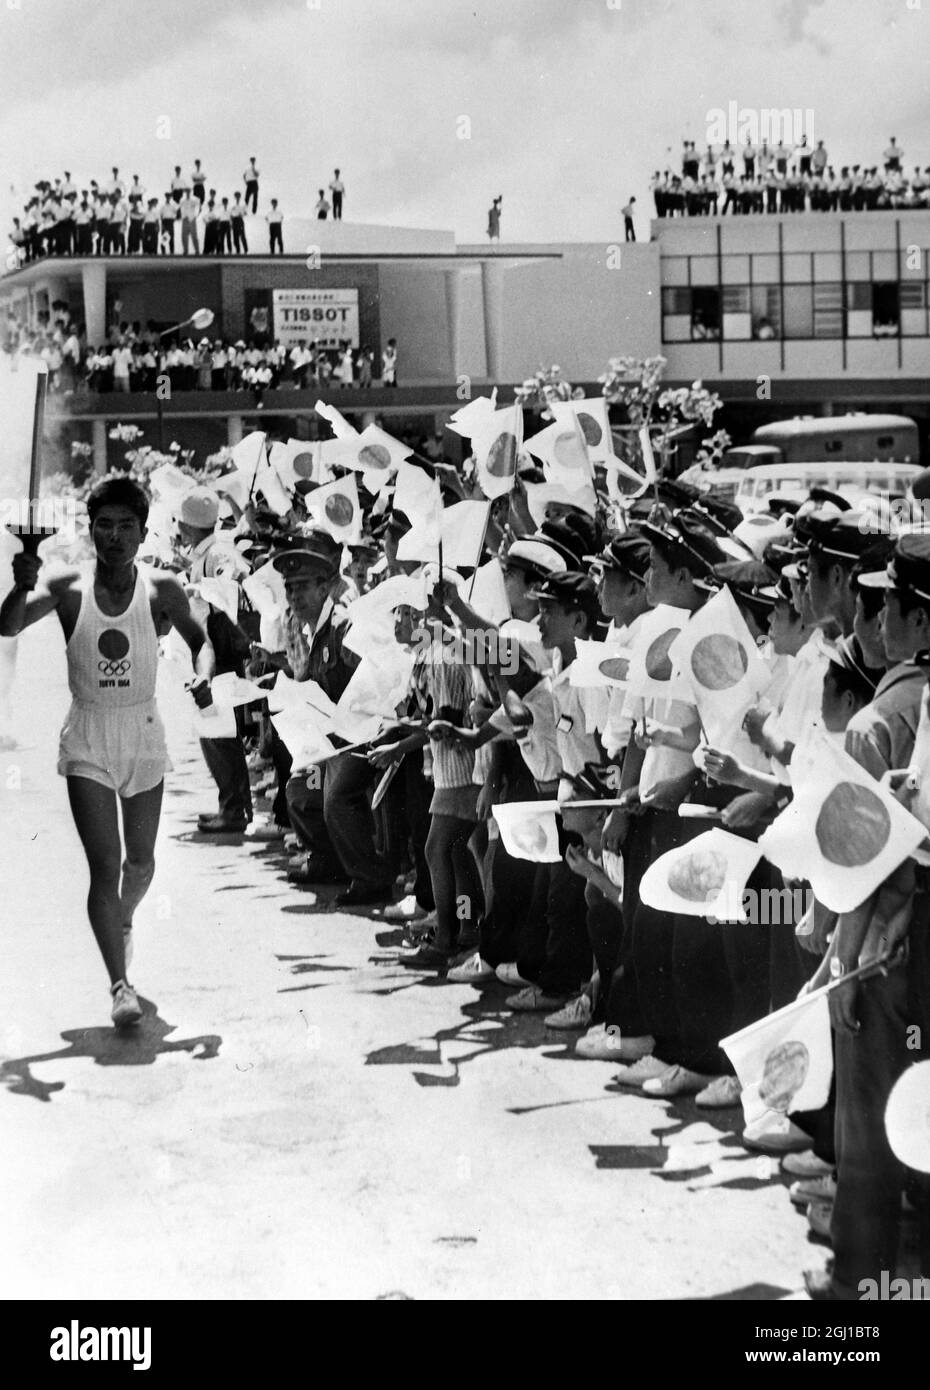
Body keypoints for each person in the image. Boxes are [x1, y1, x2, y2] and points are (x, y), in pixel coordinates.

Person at [0, 477, 214, 1027]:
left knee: (140, 863)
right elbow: (7, 625)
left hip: (143, 732)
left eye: (126, 526)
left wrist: (203, 677)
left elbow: (201, 641)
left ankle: (124, 922)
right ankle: (120, 985)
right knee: (104, 868)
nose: (114, 536)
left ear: (143, 534)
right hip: (89, 735)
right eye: (104, 525)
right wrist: (20, 584)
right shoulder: (68, 586)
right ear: (90, 530)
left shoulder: (160, 587)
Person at [179, 189, 199, 255]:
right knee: (184, 236)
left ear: (190, 192)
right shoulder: (182, 201)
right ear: (185, 193)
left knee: (194, 236)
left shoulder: (194, 201)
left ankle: (197, 250)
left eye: (188, 192)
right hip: (185, 219)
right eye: (186, 192)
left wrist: (195, 216)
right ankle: (185, 250)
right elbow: (180, 210)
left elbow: (198, 208)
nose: (187, 193)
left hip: (192, 220)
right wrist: (183, 217)